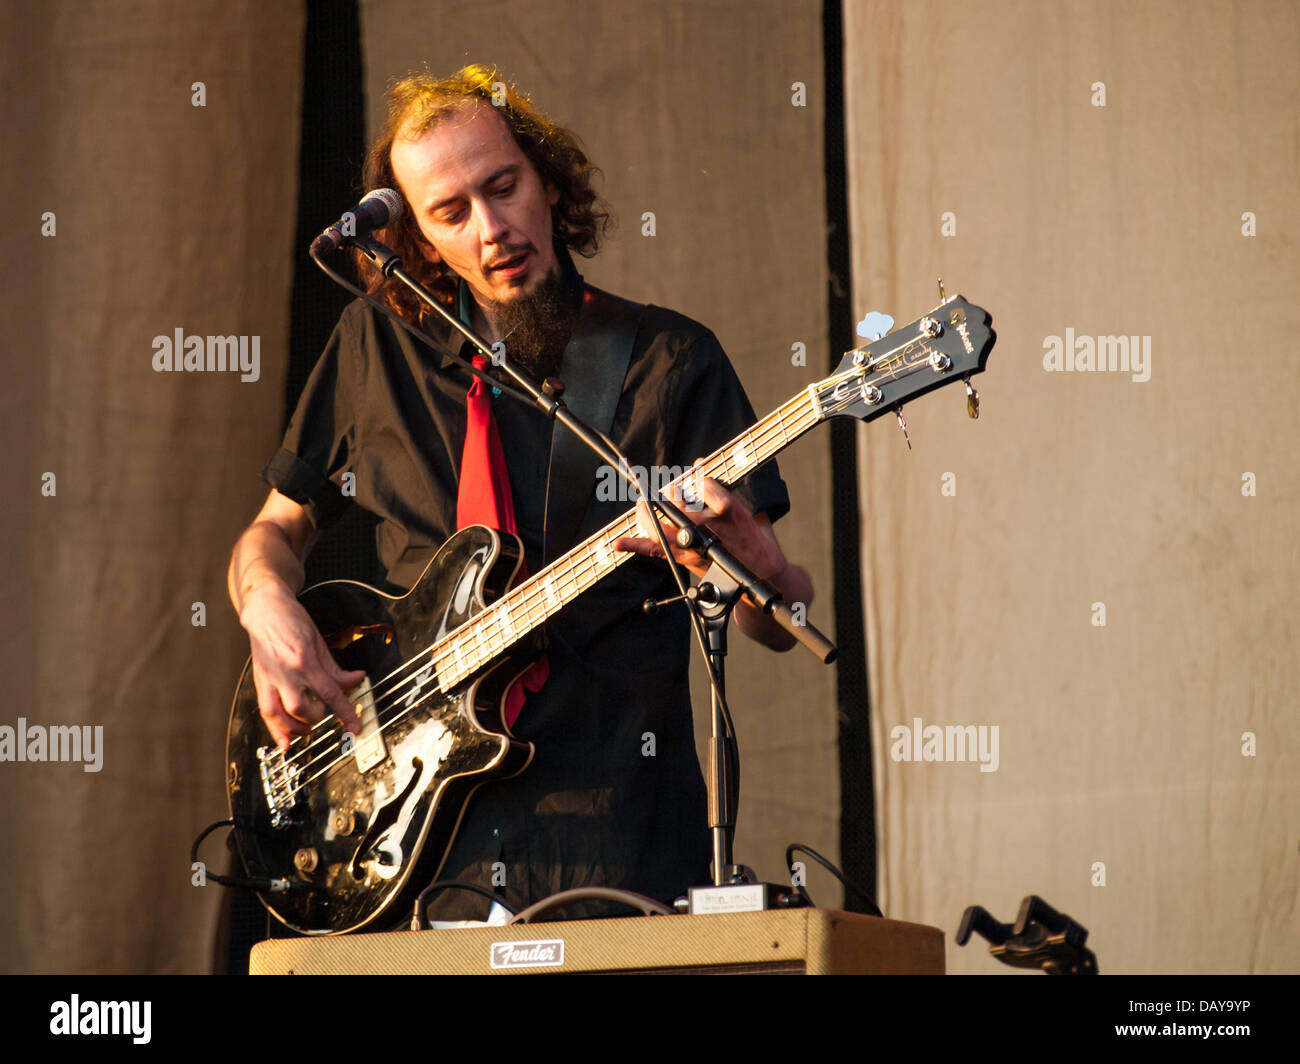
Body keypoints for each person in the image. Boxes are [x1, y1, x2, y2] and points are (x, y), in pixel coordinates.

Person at [226, 65, 814, 922]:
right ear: (419, 238)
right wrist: (264, 602)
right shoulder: (372, 346)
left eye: (505, 186)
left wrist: (757, 564)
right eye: (452, 212)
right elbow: (274, 531)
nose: (492, 227)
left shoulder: (667, 361)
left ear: (547, 179)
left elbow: (777, 620)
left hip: (614, 832)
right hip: (411, 836)